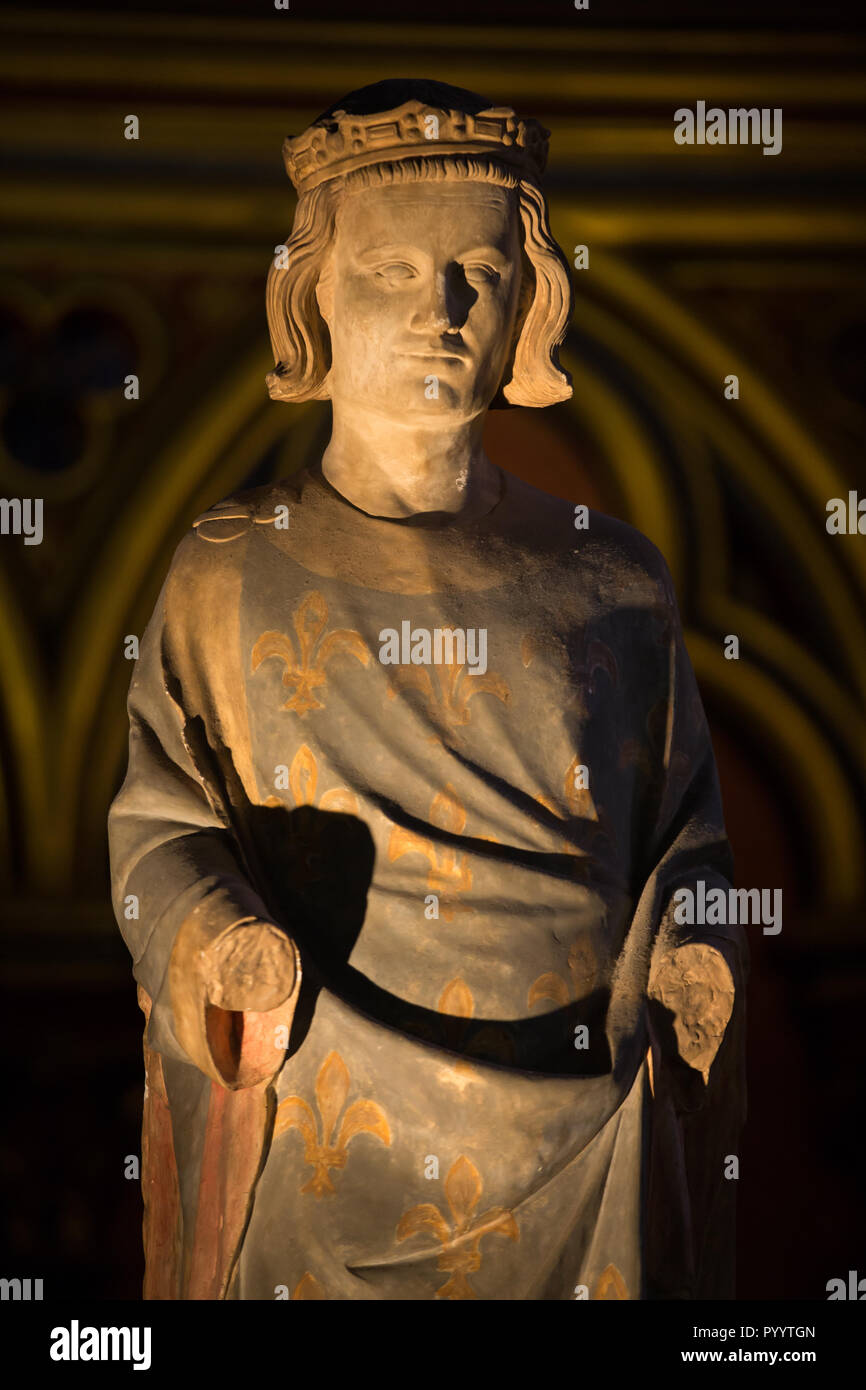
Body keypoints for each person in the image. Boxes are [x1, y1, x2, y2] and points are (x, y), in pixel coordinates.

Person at [109, 78, 746, 1301]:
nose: (440, 310)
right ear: (314, 294)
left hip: (585, 1141)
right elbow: (158, 826)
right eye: (391, 272)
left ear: (528, 302)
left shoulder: (610, 576)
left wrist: (694, 943)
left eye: (478, 272)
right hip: (328, 1131)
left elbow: (686, 838)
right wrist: (216, 937)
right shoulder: (229, 570)